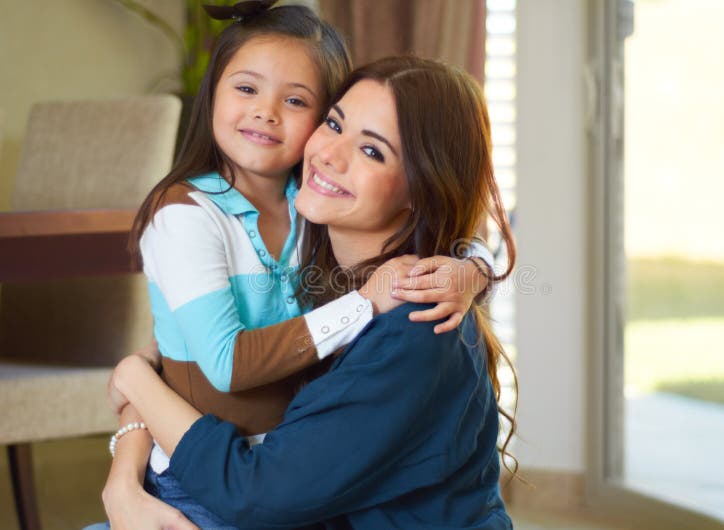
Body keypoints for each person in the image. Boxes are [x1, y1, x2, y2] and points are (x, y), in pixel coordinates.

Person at [97, 2, 495, 528]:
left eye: (373, 152)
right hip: (209, 477)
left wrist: (136, 380)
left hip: (244, 489)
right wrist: (124, 476)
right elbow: (188, 355)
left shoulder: (412, 315)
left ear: (423, 189)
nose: (330, 155)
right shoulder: (310, 229)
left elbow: (256, 493)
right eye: (335, 124)